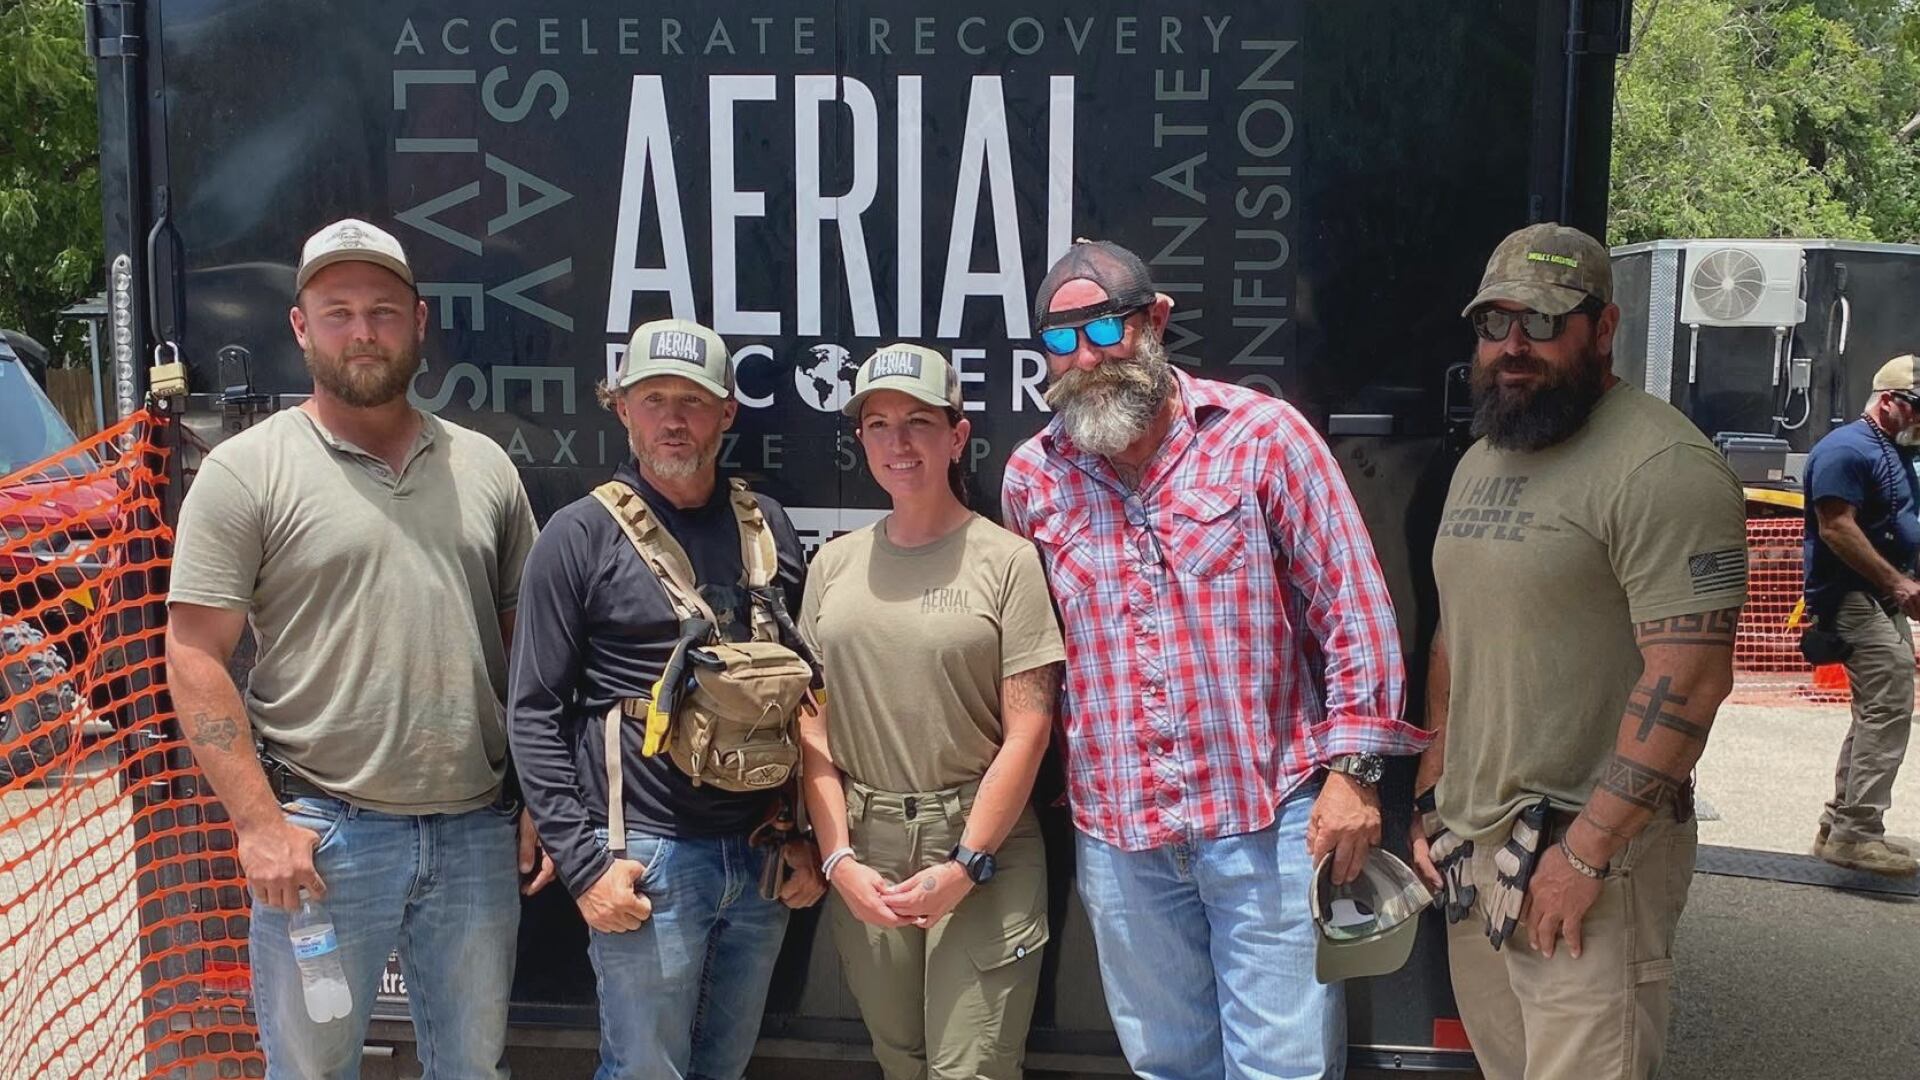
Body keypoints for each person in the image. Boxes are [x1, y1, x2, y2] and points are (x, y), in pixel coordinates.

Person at [1000, 239, 1427, 1079]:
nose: (1085, 358)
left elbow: (1354, 608)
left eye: (1106, 329)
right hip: (1121, 842)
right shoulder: (1033, 478)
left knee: (1284, 1068)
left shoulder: (1262, 438)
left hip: (1267, 828)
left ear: (1156, 320)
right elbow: (1036, 659)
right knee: (1167, 1067)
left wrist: (1355, 776)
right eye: (1061, 340)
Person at [165, 218, 548, 1079]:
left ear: (418, 322)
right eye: (337, 312)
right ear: (300, 327)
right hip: (321, 839)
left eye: (381, 310)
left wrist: (539, 798)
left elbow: (528, 652)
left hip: (475, 834)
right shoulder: (247, 471)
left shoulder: (485, 467)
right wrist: (260, 826)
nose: (362, 331)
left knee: (474, 1070)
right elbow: (193, 654)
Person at [1418, 222, 1747, 1079]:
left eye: (1542, 320)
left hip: (1589, 857)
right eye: (1495, 323)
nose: (1513, 345)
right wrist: (1432, 797)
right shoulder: (1485, 458)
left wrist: (1588, 852)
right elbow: (1457, 634)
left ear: (1603, 329)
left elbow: (1693, 678)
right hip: (1479, 847)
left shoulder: (1663, 466)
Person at [507, 317, 827, 1080]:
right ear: (622, 408)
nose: (673, 419)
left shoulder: (768, 527)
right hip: (645, 855)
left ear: (727, 412)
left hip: (760, 858)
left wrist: (802, 835)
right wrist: (585, 868)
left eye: (693, 400)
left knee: (725, 1067)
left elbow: (799, 696)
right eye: (653, 399)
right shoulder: (579, 535)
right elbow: (534, 711)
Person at [796, 344, 1065, 1080]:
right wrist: (838, 860)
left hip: (983, 840)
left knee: (968, 1069)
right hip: (867, 846)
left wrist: (967, 862)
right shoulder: (832, 566)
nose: (899, 442)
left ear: (957, 436)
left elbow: (1030, 730)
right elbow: (812, 727)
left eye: (919, 421)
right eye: (878, 424)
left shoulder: (1007, 561)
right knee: (901, 1060)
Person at [1800, 353, 1920, 876]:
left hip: (1877, 596)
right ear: (1889, 400)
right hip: (1852, 596)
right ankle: (1855, 834)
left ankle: (1841, 825)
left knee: (1880, 706)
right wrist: (1897, 582)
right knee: (1888, 702)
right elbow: (1836, 527)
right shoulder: (1846, 450)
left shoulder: (1889, 450)